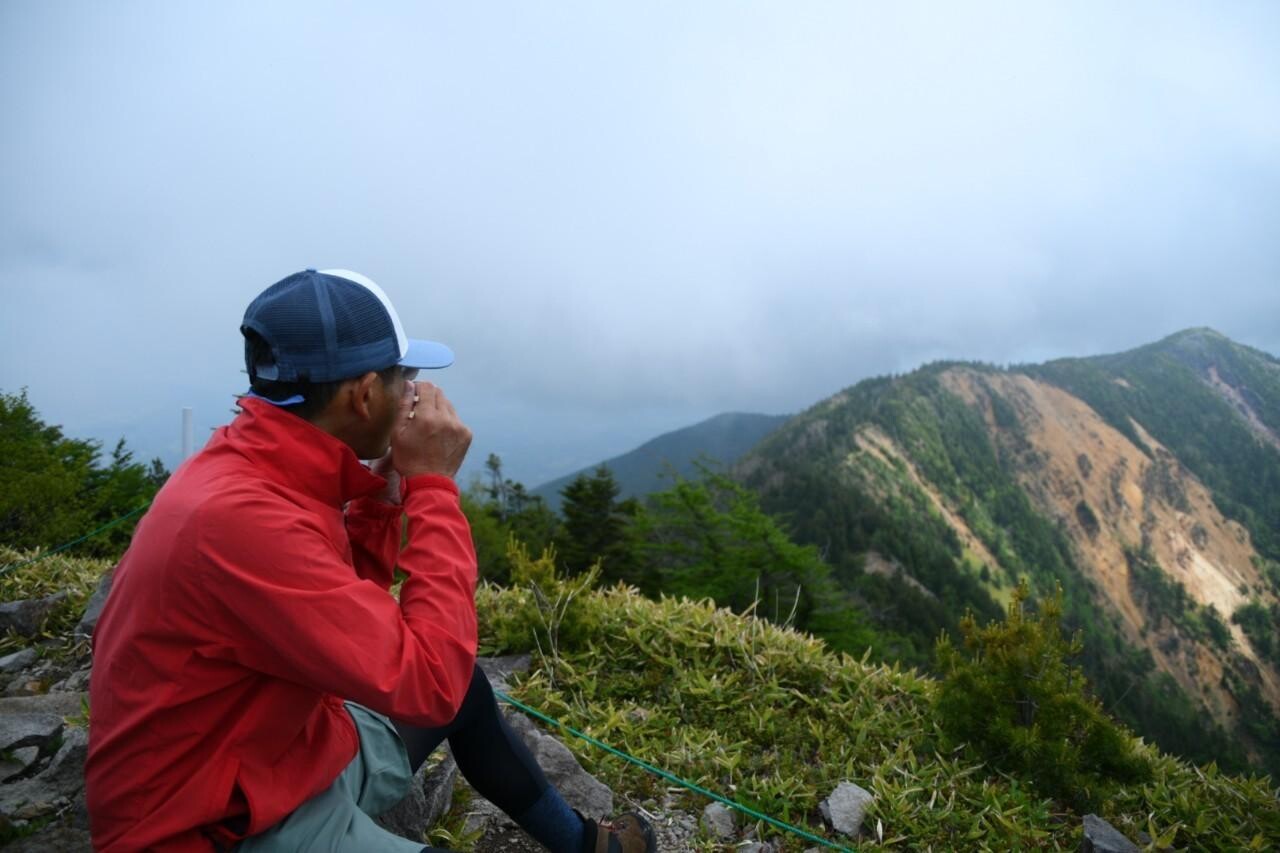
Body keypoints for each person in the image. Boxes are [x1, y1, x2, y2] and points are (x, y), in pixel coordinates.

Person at [85, 269, 656, 853]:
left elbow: (329, 621)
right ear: (363, 395)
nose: (414, 393)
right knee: (449, 686)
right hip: (214, 826)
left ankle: (586, 846)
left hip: (280, 758)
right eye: (405, 377)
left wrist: (377, 510)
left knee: (469, 693)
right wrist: (431, 487)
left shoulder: (256, 465)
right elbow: (430, 682)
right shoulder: (241, 519)